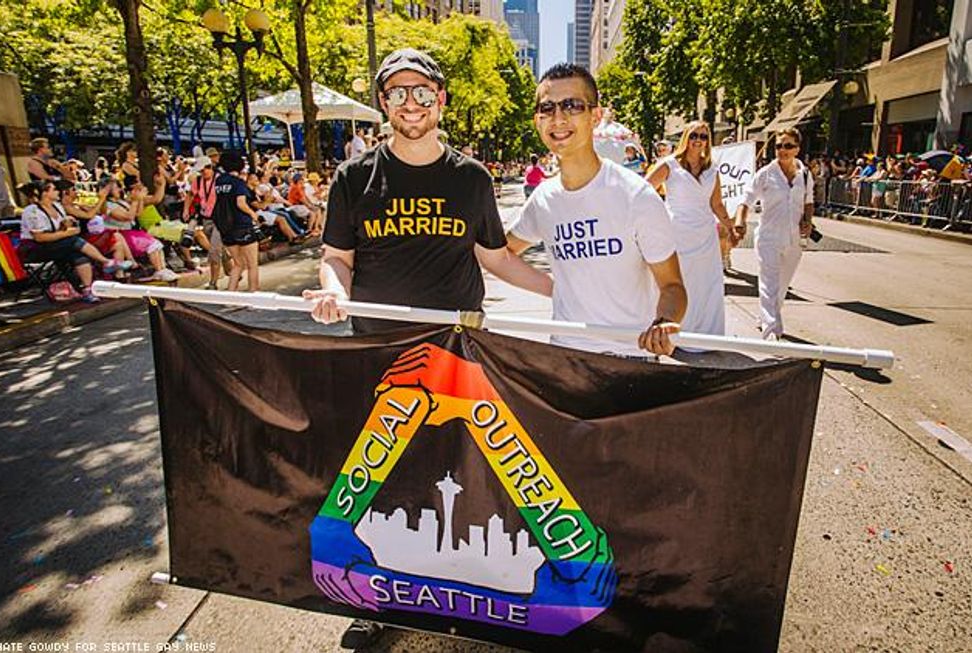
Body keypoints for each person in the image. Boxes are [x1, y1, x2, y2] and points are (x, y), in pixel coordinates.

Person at [305, 49, 551, 648]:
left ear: (441, 100)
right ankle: (377, 598)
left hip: (459, 348)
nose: (410, 104)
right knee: (385, 474)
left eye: (422, 92)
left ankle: (468, 585)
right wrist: (333, 291)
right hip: (381, 350)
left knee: (464, 466)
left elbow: (494, 258)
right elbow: (337, 257)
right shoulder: (353, 177)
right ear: (384, 104)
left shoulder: (471, 178)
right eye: (397, 93)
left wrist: (574, 289)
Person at [507, 62, 686, 357]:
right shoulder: (544, 198)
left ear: (596, 116)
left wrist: (665, 323)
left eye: (572, 105)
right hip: (567, 355)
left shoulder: (636, 196)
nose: (558, 118)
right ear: (537, 120)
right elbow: (502, 252)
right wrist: (554, 288)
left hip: (631, 358)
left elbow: (672, 286)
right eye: (547, 108)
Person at [646, 120, 733, 337]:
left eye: (703, 136)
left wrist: (731, 226)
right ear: (686, 138)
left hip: (705, 237)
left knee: (705, 286)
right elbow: (643, 190)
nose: (698, 141)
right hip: (677, 233)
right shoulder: (670, 164)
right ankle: (672, 332)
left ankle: (703, 336)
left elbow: (716, 204)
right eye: (694, 135)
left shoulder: (712, 170)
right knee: (678, 284)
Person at [733, 128, 814, 341]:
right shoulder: (766, 174)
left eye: (788, 146)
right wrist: (740, 221)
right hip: (769, 237)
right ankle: (772, 330)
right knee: (769, 283)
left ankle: (765, 317)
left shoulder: (804, 174)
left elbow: (809, 201)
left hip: (794, 238)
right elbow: (746, 200)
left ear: (797, 148)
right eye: (779, 145)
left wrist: (808, 221)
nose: (782, 150)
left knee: (782, 285)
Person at [18, 180, 133, 302]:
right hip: (36, 249)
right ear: (45, 193)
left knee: (78, 253)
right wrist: (66, 233)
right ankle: (105, 261)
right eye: (54, 189)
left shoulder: (57, 207)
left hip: (56, 244)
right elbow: (39, 237)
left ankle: (88, 290)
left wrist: (67, 225)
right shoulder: (32, 211)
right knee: (73, 241)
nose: (58, 192)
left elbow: (62, 226)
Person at [212, 150, 260, 292]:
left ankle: (231, 296)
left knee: (238, 264)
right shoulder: (238, 183)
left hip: (226, 227)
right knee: (252, 264)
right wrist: (253, 214)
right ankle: (254, 295)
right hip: (242, 224)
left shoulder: (219, 182)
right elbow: (241, 203)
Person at [183, 156, 228, 288]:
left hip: (220, 219)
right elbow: (190, 194)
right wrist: (186, 209)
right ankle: (227, 262)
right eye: (201, 171)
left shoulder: (220, 179)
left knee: (213, 250)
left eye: (204, 170)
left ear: (210, 167)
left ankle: (213, 282)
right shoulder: (198, 181)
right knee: (217, 247)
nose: (203, 173)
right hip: (206, 218)